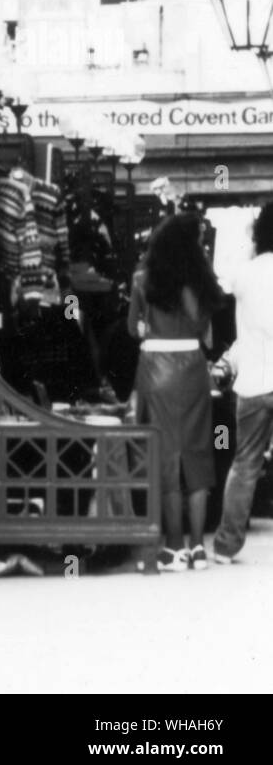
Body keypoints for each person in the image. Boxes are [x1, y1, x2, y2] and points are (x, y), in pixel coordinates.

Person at [128, 213, 224, 571]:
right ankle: (198, 547)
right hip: (194, 369)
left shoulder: (142, 278)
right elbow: (205, 330)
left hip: (157, 370)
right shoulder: (202, 280)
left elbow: (133, 329)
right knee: (197, 454)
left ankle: (173, 548)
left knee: (167, 457)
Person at [212, 203, 273, 564]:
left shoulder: (244, 274)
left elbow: (225, 280)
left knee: (245, 463)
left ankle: (226, 545)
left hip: (252, 383)